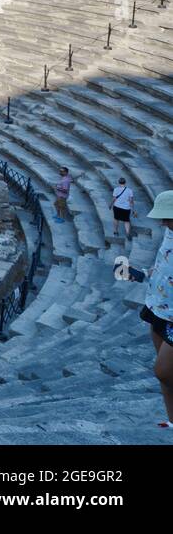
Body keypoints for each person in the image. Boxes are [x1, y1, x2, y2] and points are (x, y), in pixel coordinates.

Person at [140, 191, 173, 428]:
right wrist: (140, 273)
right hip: (157, 305)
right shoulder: (170, 233)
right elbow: (162, 265)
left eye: (166, 217)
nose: (162, 223)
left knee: (163, 371)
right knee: (167, 380)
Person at [112, 178, 135, 242]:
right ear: (125, 182)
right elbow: (131, 201)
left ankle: (115, 231)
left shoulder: (116, 189)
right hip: (126, 208)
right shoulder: (129, 190)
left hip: (117, 207)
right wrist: (133, 209)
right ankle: (127, 233)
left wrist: (110, 204)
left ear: (119, 182)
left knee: (116, 219)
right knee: (126, 221)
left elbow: (114, 198)